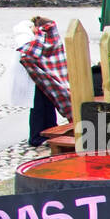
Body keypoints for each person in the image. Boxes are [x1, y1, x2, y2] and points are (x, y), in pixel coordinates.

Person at [17, 16, 72, 146]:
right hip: (41, 76)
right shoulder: (42, 35)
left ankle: (46, 131)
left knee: (45, 105)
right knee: (41, 106)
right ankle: (40, 134)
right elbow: (30, 54)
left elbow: (33, 53)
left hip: (43, 76)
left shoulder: (43, 35)